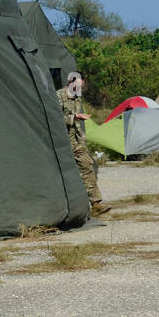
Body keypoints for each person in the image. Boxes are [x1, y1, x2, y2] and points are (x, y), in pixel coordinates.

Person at [58, 71, 110, 215]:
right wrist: (74, 117)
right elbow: (55, 118)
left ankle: (95, 203)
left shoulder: (77, 99)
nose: (79, 88)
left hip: (76, 140)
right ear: (70, 82)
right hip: (62, 139)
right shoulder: (59, 96)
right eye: (78, 85)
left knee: (88, 165)